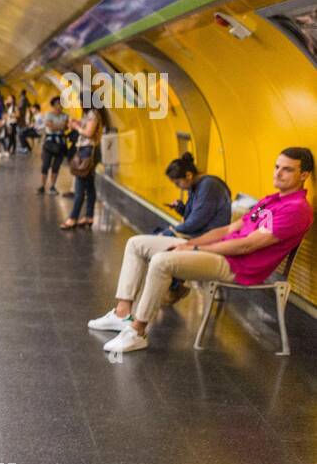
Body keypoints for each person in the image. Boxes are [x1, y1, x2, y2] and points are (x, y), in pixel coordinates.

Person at [88, 147, 313, 354]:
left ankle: (138, 331)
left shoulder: (296, 209)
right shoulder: (269, 201)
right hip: (221, 252)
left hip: (239, 266)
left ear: (304, 175)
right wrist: (190, 244)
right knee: (136, 243)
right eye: (277, 167)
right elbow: (228, 229)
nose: (278, 173)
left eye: (287, 169)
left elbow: (248, 245)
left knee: (162, 261)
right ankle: (122, 314)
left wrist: (196, 247)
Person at [156, 153, 233, 305]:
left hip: (211, 236)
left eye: (178, 183)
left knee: (168, 243)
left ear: (189, 175)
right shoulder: (196, 186)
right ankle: (173, 288)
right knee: (162, 237)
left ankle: (173, 289)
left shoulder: (209, 186)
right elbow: (192, 216)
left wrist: (170, 231)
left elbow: (196, 221)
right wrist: (180, 208)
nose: (178, 187)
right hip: (202, 232)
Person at [60, 106, 101, 229]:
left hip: (87, 152)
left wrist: (77, 127)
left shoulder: (93, 114)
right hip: (85, 150)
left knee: (80, 186)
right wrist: (78, 123)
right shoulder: (88, 114)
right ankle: (89, 216)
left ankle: (73, 218)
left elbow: (89, 133)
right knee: (89, 186)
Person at [36, 97, 68, 194]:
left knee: (56, 166)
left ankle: (52, 186)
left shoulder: (65, 116)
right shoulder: (48, 114)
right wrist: (60, 126)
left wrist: (56, 126)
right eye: (58, 103)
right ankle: (42, 186)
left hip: (60, 143)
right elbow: (51, 126)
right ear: (53, 105)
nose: (60, 106)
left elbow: (65, 126)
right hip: (49, 142)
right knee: (45, 164)